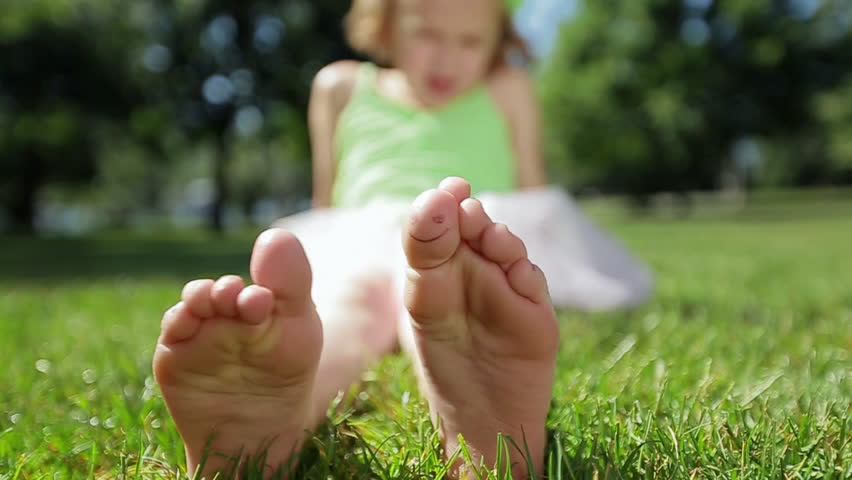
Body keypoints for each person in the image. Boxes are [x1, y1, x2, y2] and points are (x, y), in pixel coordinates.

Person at [152, 0, 651, 477]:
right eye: (426, 35)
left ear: (496, 40)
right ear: (385, 26)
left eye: (470, 41)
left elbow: (533, 190)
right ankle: (273, 414)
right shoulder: (341, 86)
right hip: (361, 233)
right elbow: (328, 198)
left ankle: (470, 395)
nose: (446, 57)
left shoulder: (507, 88)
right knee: (353, 301)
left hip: (467, 232)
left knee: (442, 289)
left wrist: (524, 256)